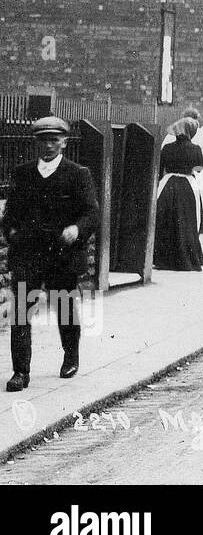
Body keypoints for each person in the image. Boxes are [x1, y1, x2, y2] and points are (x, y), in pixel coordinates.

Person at [2, 117, 99, 391]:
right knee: (21, 312)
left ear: (64, 143)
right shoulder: (22, 173)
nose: (48, 146)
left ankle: (71, 356)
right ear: (36, 143)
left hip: (62, 254)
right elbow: (10, 214)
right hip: (28, 254)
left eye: (54, 140)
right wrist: (11, 232)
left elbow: (92, 213)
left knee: (65, 308)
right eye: (43, 140)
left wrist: (76, 229)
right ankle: (20, 372)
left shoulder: (78, 174)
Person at [154, 117, 203, 272]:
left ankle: (164, 259)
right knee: (188, 222)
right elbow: (199, 170)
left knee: (166, 221)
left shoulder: (167, 148)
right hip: (187, 187)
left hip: (168, 186)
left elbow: (159, 169)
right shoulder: (196, 149)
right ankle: (188, 258)